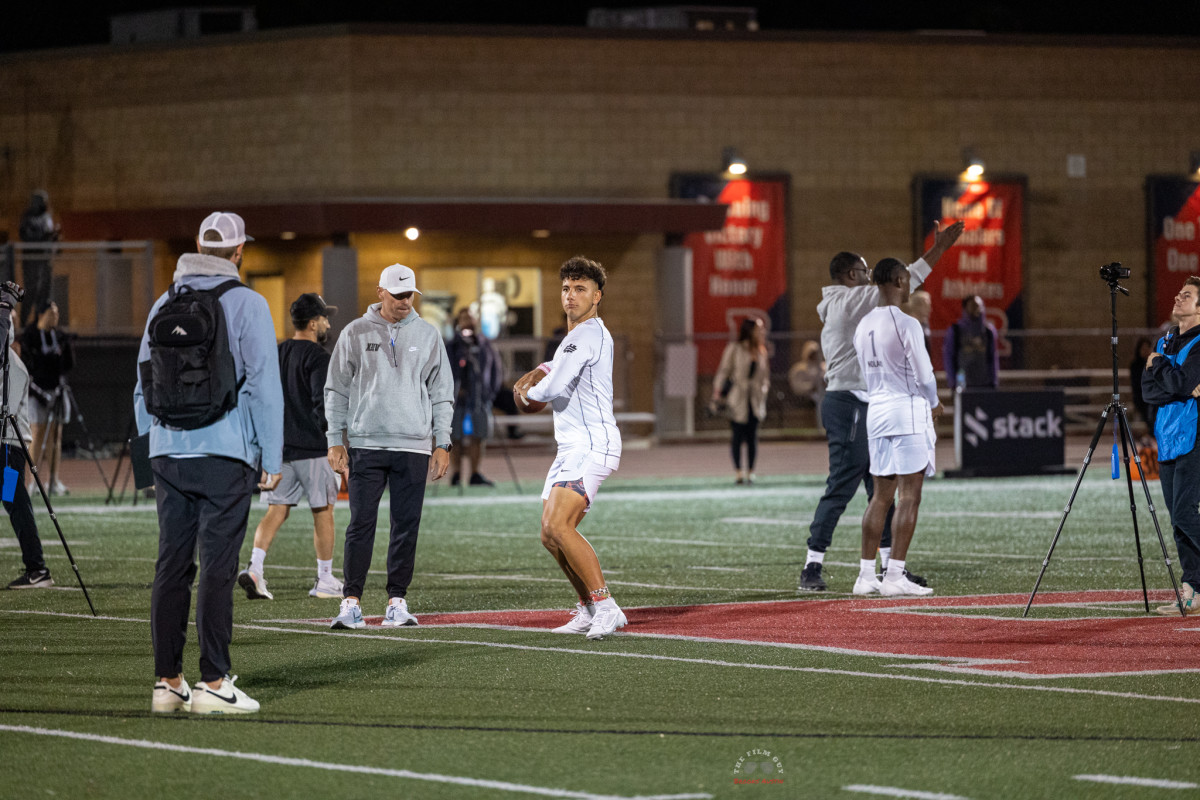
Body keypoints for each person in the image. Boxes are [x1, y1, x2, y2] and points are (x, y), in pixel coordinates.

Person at [136, 211, 283, 714]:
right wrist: (272, 454)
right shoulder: (248, 302)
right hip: (226, 452)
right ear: (239, 252)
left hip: (167, 451)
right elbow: (265, 385)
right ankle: (214, 683)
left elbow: (143, 384)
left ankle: (167, 683)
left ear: (196, 246)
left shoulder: (164, 301)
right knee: (218, 569)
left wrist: (150, 448)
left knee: (171, 566)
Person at [799, 220, 963, 592]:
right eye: (864, 271)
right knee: (848, 484)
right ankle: (814, 563)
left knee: (880, 492)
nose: (870, 277)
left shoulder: (860, 316)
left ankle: (884, 570)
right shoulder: (847, 300)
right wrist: (938, 251)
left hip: (869, 405)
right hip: (853, 402)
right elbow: (900, 281)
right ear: (848, 275)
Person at [326, 263, 453, 630]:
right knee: (360, 524)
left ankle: (397, 601)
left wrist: (442, 442)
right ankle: (351, 602)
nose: (404, 301)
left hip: (414, 446)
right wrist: (335, 439)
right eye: (397, 294)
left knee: (406, 526)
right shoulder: (354, 332)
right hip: (366, 444)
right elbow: (335, 389)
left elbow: (442, 393)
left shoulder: (428, 334)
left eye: (409, 294)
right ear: (380, 291)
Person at [514, 256, 625, 640]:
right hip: (573, 447)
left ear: (598, 296)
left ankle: (607, 606)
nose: (571, 295)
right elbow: (558, 364)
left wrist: (527, 390)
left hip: (591, 445)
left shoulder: (587, 333)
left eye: (580, 289)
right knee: (549, 534)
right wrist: (542, 370)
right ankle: (588, 607)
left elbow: (553, 387)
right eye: (566, 288)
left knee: (559, 525)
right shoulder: (577, 337)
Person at [238, 293, 343, 601]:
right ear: (312, 323)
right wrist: (333, 440)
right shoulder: (319, 357)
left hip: (280, 449)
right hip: (313, 449)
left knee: (276, 510)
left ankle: (255, 568)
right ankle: (325, 579)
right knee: (323, 510)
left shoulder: (276, 351)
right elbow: (321, 403)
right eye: (324, 318)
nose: (327, 323)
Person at [853, 258, 941, 597]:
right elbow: (923, 374)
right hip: (905, 411)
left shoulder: (863, 325)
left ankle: (865, 575)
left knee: (880, 497)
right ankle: (894, 575)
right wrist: (934, 402)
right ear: (902, 279)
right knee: (910, 497)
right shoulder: (908, 324)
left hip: (877, 412)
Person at [1141, 277, 1200, 616]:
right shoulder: (1164, 340)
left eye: (1187, 295)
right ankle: (1192, 589)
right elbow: (1151, 392)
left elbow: (1175, 381)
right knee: (1178, 520)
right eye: (1179, 293)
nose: (1179, 297)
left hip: (1195, 436)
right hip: (1167, 438)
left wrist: (1157, 365)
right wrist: (1178, 383)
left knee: (1183, 513)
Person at [2, 315, 52, 590]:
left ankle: (37, 567)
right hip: (7, 445)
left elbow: (5, 411)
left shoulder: (13, 366)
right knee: (12, 500)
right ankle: (36, 565)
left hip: (9, 446)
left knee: (14, 499)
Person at [20, 300, 73, 495]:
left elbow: (68, 363)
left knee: (55, 435)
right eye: (52, 313)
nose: (56, 317)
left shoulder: (59, 336)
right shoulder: (29, 336)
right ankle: (31, 482)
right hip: (35, 392)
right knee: (36, 433)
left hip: (56, 390)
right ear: (41, 314)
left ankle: (53, 481)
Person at [447, 307, 504, 487]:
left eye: (470, 318)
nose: (467, 322)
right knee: (454, 436)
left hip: (480, 398)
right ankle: (456, 473)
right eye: (463, 318)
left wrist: (489, 393)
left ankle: (474, 473)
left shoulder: (485, 345)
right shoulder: (452, 345)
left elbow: (496, 370)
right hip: (455, 400)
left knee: (479, 436)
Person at [711, 317, 770, 484]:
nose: (762, 331)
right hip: (738, 399)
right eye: (759, 328)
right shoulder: (735, 349)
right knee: (737, 436)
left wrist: (763, 391)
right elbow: (724, 371)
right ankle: (738, 472)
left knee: (752, 437)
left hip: (755, 399)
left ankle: (750, 471)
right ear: (750, 331)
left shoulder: (761, 351)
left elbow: (765, 377)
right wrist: (717, 392)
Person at [17, 190, 59, 328]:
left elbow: (50, 236)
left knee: (44, 294)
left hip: (45, 262)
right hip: (32, 262)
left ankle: (39, 324)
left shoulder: (47, 217)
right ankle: (23, 324)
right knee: (31, 292)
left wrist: (53, 237)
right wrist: (43, 236)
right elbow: (26, 236)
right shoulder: (28, 218)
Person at [943, 295, 999, 390]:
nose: (977, 309)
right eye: (973, 306)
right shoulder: (955, 330)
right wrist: (952, 382)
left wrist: (994, 380)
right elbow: (948, 356)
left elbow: (993, 357)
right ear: (965, 308)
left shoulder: (989, 331)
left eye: (980, 306)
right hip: (962, 381)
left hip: (984, 383)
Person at [1129, 336, 1154, 430]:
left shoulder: (1154, 363)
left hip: (1154, 397)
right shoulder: (1135, 365)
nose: (1146, 351)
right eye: (1143, 349)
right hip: (1142, 398)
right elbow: (1136, 384)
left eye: (1148, 348)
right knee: (1149, 421)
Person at [905, 289, 933, 354]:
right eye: (927, 305)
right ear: (917, 305)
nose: (930, 309)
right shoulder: (907, 326)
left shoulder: (924, 325)